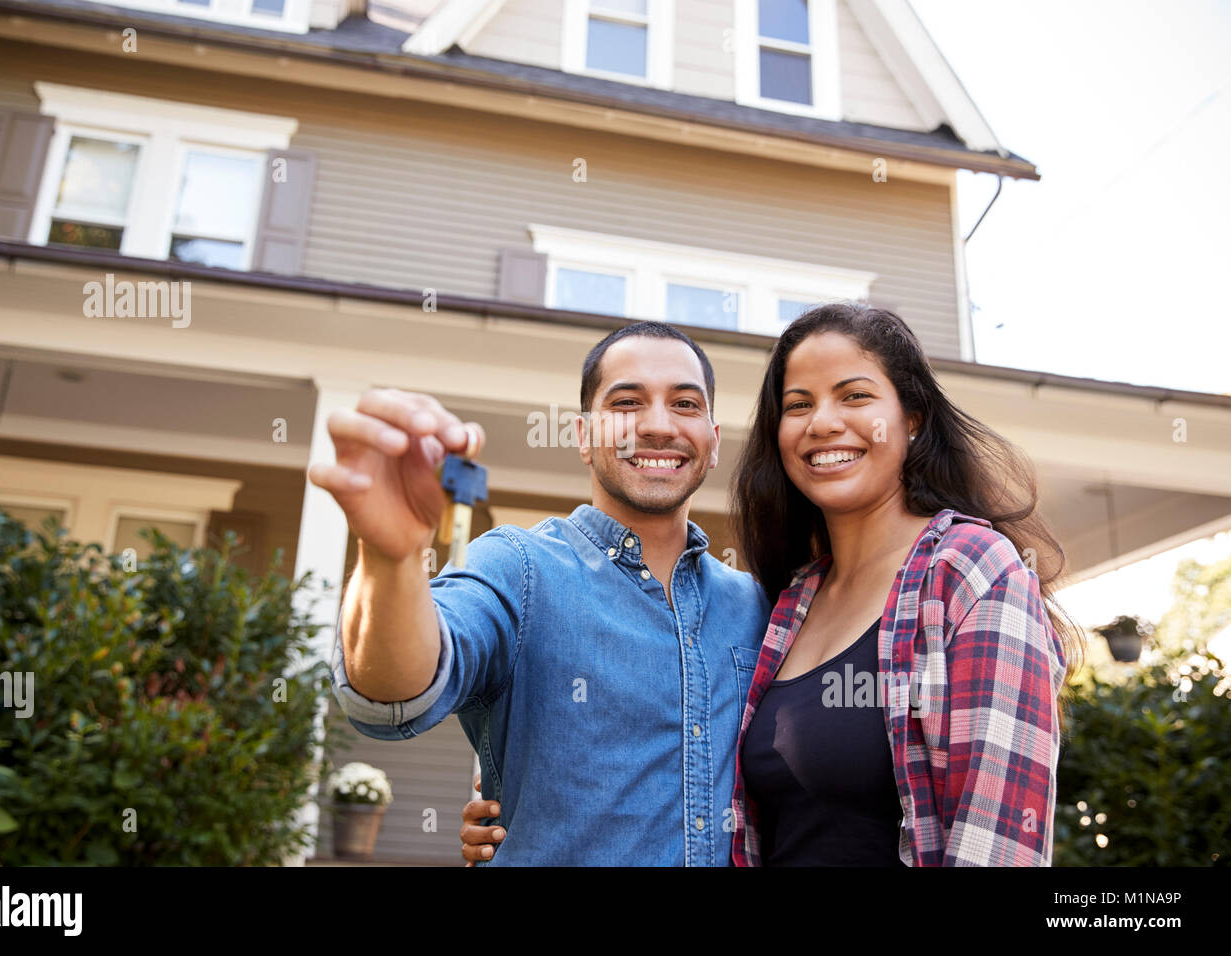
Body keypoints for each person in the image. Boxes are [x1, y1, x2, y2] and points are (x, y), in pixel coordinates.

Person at [462, 303, 1081, 866]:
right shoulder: (786, 604)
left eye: (855, 395)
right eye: (798, 404)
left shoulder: (971, 573)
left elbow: (999, 844)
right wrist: (521, 807)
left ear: (911, 419)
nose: (824, 423)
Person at [310, 321, 771, 865]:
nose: (657, 425)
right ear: (582, 435)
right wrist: (389, 559)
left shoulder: (759, 606)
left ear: (714, 440)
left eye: (685, 404)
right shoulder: (518, 568)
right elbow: (392, 691)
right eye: (626, 401)